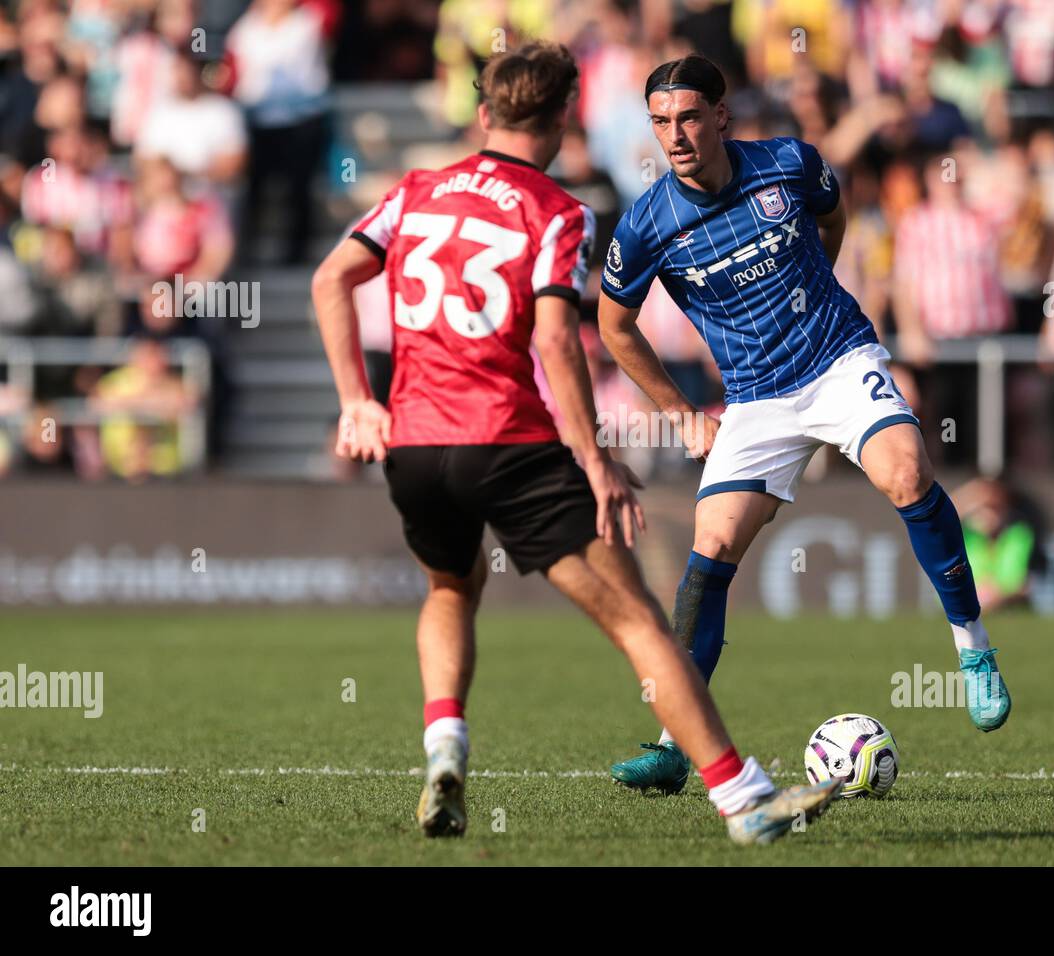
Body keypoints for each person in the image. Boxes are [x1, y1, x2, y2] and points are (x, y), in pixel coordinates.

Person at [309, 42, 841, 844]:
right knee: (640, 625)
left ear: (485, 114)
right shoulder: (558, 212)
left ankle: (446, 748)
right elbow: (558, 341)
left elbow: (329, 279)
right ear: (563, 117)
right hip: (507, 442)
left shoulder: (416, 191)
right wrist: (595, 462)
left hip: (414, 444)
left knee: (450, 591)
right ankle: (745, 801)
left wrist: (357, 401)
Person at [598, 54, 1011, 795]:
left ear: (722, 116)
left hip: (838, 359)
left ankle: (972, 648)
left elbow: (832, 216)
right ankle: (671, 744)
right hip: (756, 399)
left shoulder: (790, 163)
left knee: (907, 472)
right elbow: (614, 325)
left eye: (689, 117)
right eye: (661, 122)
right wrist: (681, 414)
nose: (676, 135)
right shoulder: (647, 222)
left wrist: (819, 291)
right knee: (713, 542)